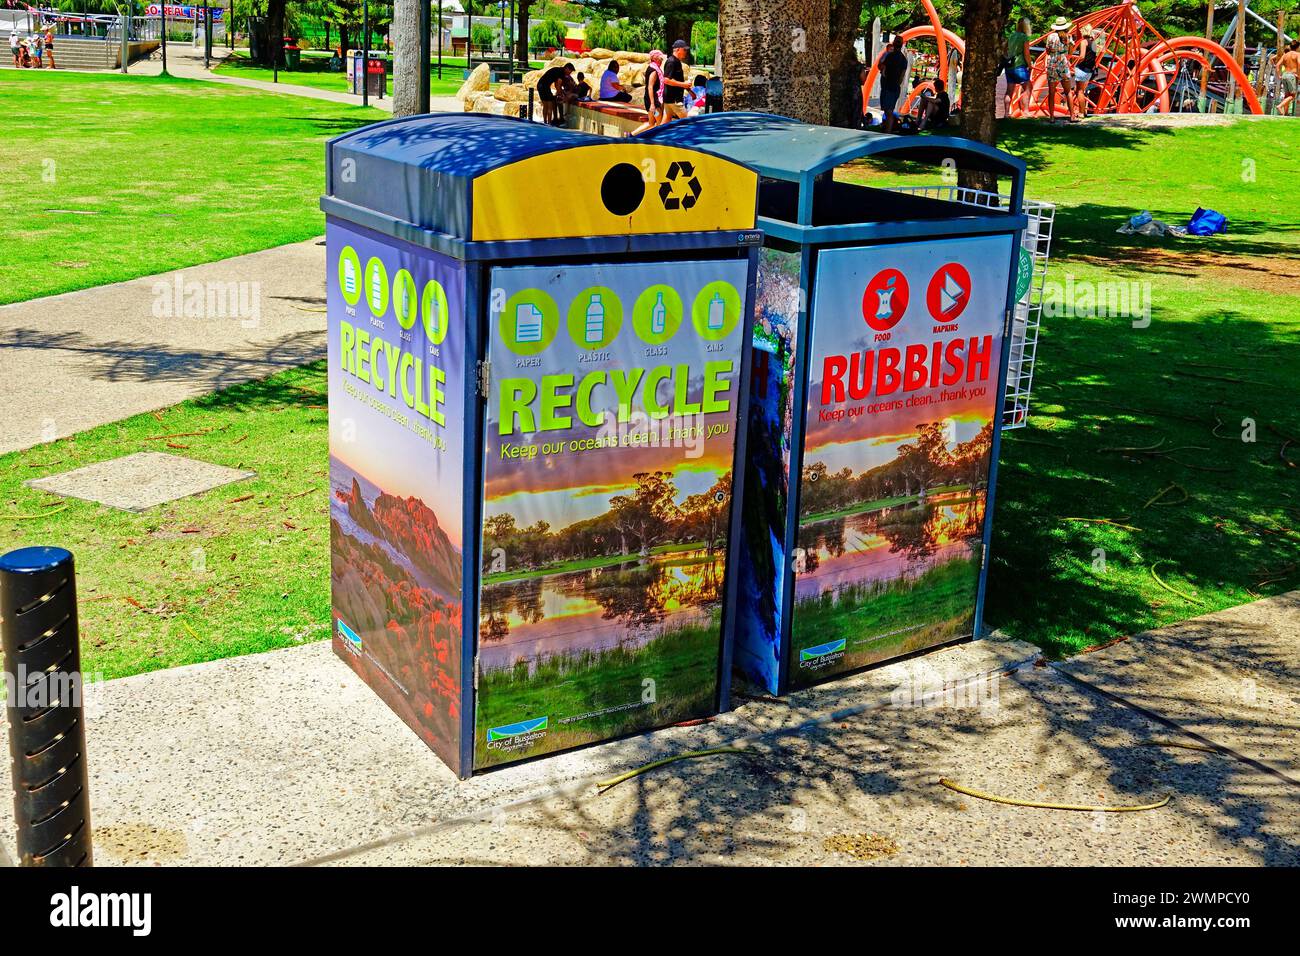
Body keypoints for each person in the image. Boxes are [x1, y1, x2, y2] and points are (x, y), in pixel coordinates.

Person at [1044, 16, 1077, 124]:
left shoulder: (1050, 37)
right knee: (1068, 91)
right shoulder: (1068, 37)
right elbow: (1071, 53)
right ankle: (1072, 116)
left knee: (1052, 92)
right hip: (1063, 64)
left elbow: (1047, 52)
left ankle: (1052, 117)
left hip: (1052, 64)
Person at [631, 50, 666, 135]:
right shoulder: (654, 71)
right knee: (659, 123)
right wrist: (653, 104)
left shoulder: (651, 68)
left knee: (651, 123)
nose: (661, 61)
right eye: (660, 59)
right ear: (655, 59)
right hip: (654, 102)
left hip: (650, 100)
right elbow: (650, 87)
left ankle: (632, 134)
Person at [659, 38, 694, 123]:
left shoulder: (677, 62)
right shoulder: (671, 62)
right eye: (684, 50)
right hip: (674, 99)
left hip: (670, 98)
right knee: (688, 122)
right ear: (678, 50)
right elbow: (666, 80)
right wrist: (683, 85)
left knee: (666, 120)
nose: (686, 52)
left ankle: (657, 135)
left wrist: (690, 91)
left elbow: (678, 80)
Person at [878, 37, 908, 133]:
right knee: (888, 110)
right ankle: (887, 129)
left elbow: (882, 69)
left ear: (894, 43)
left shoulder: (889, 56)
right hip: (894, 87)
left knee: (889, 111)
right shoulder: (903, 59)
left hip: (889, 86)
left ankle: (888, 132)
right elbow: (902, 77)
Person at [1004, 17, 1032, 116]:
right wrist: (1030, 65)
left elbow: (1004, 49)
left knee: (1009, 91)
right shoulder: (1024, 37)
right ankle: (1026, 111)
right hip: (1019, 66)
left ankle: (1006, 114)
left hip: (1009, 66)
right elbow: (1026, 53)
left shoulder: (1011, 36)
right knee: (1028, 87)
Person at [536, 61, 574, 126]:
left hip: (540, 85)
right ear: (567, 68)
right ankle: (549, 123)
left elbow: (556, 85)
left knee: (545, 105)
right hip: (545, 86)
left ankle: (545, 122)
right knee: (550, 104)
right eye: (570, 71)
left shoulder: (558, 70)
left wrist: (560, 92)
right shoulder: (562, 73)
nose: (570, 73)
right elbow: (558, 86)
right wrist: (561, 95)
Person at [1072, 26, 1098, 118]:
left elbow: (1082, 56)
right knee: (1078, 90)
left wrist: (1075, 64)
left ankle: (1081, 112)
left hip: (1082, 69)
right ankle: (1083, 110)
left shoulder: (1084, 42)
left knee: (1079, 91)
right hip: (1089, 70)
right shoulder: (1094, 43)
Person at [1274, 40, 1299, 117]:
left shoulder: (1285, 55)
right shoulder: (1297, 54)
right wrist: (1298, 74)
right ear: (1298, 47)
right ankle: (1280, 106)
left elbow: (1277, 65)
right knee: (1292, 95)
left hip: (1285, 75)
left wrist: (1279, 75)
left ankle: (1285, 113)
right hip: (1292, 75)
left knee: (1287, 95)